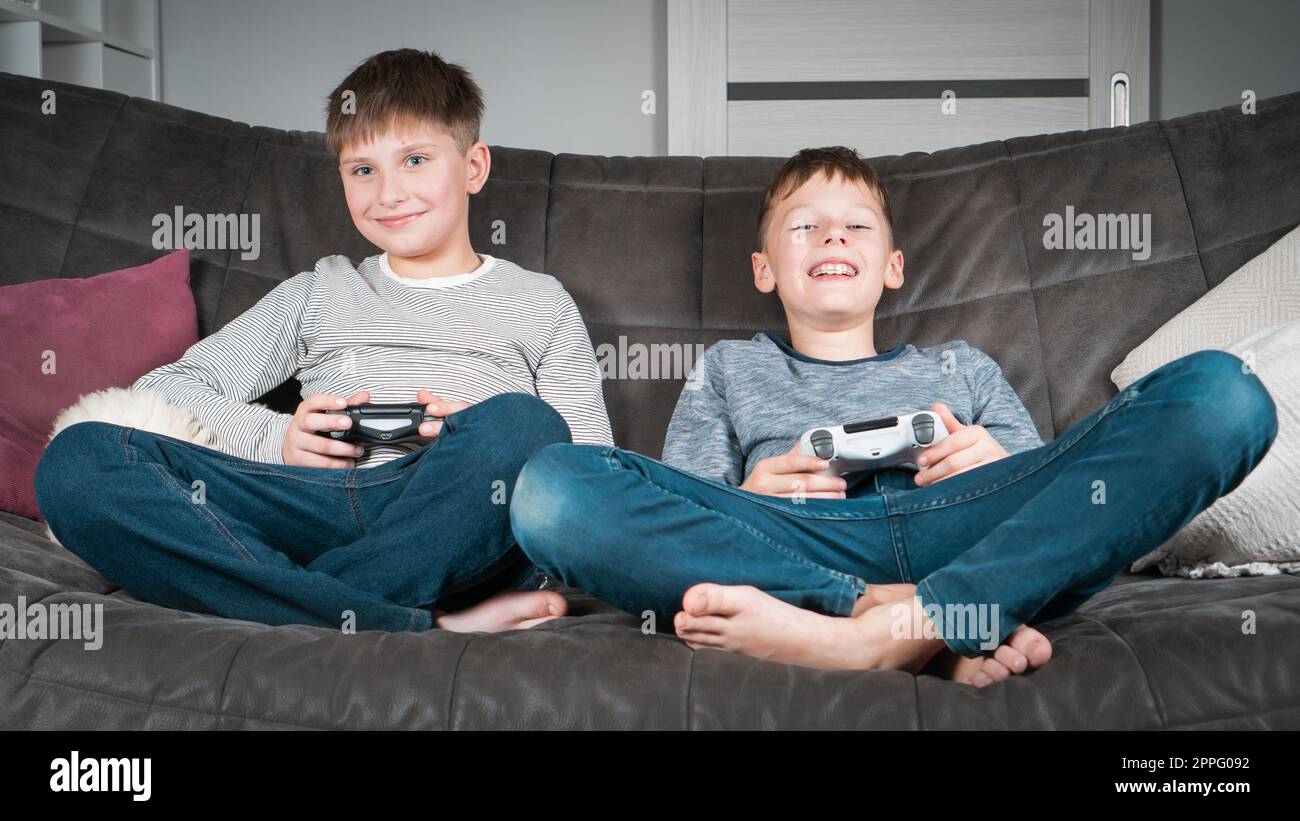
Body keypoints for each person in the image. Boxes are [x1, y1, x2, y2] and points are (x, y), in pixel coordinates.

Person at [509, 146, 1278, 686]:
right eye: (805, 225)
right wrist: (753, 489)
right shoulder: (727, 368)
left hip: (965, 527)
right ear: (765, 268)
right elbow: (677, 507)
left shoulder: (962, 366)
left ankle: (891, 633)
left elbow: (1063, 504)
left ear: (893, 266)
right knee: (548, 485)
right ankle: (898, 621)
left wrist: (992, 458)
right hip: (788, 543)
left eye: (857, 225)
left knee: (1227, 394)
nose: (833, 234)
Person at [35, 48, 612, 634]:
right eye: (363, 170)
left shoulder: (541, 302)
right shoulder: (319, 291)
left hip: (459, 519)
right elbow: (169, 388)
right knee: (79, 460)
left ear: (474, 166)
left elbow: (592, 480)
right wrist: (279, 439)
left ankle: (303, 598)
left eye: (415, 160)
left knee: (523, 426)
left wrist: (479, 435)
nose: (388, 193)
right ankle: (412, 620)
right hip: (314, 502)